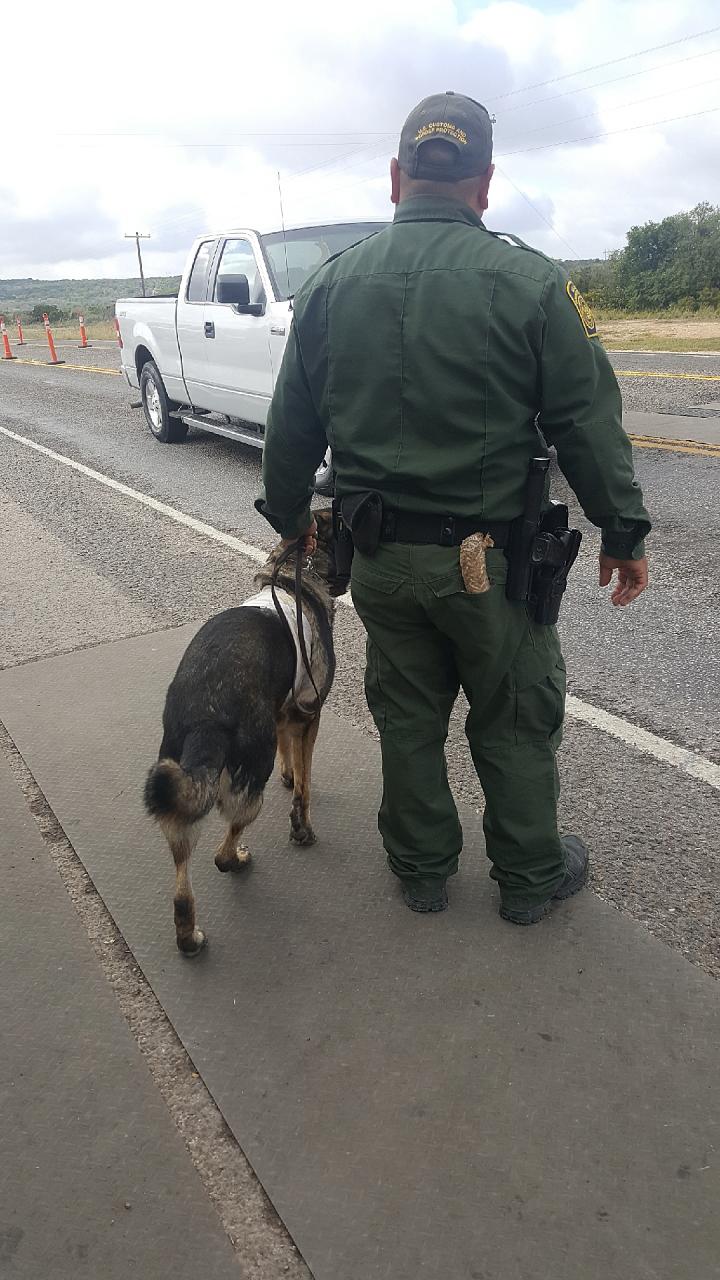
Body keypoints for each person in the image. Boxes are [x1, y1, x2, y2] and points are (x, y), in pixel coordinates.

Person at [256, 91, 651, 925]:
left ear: (397, 178)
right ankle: (528, 880)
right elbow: (585, 421)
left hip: (383, 563)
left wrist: (291, 517)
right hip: (492, 569)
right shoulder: (532, 282)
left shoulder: (331, 286)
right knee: (513, 719)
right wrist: (622, 530)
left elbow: (290, 425)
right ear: (485, 184)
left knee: (406, 716)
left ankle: (424, 872)